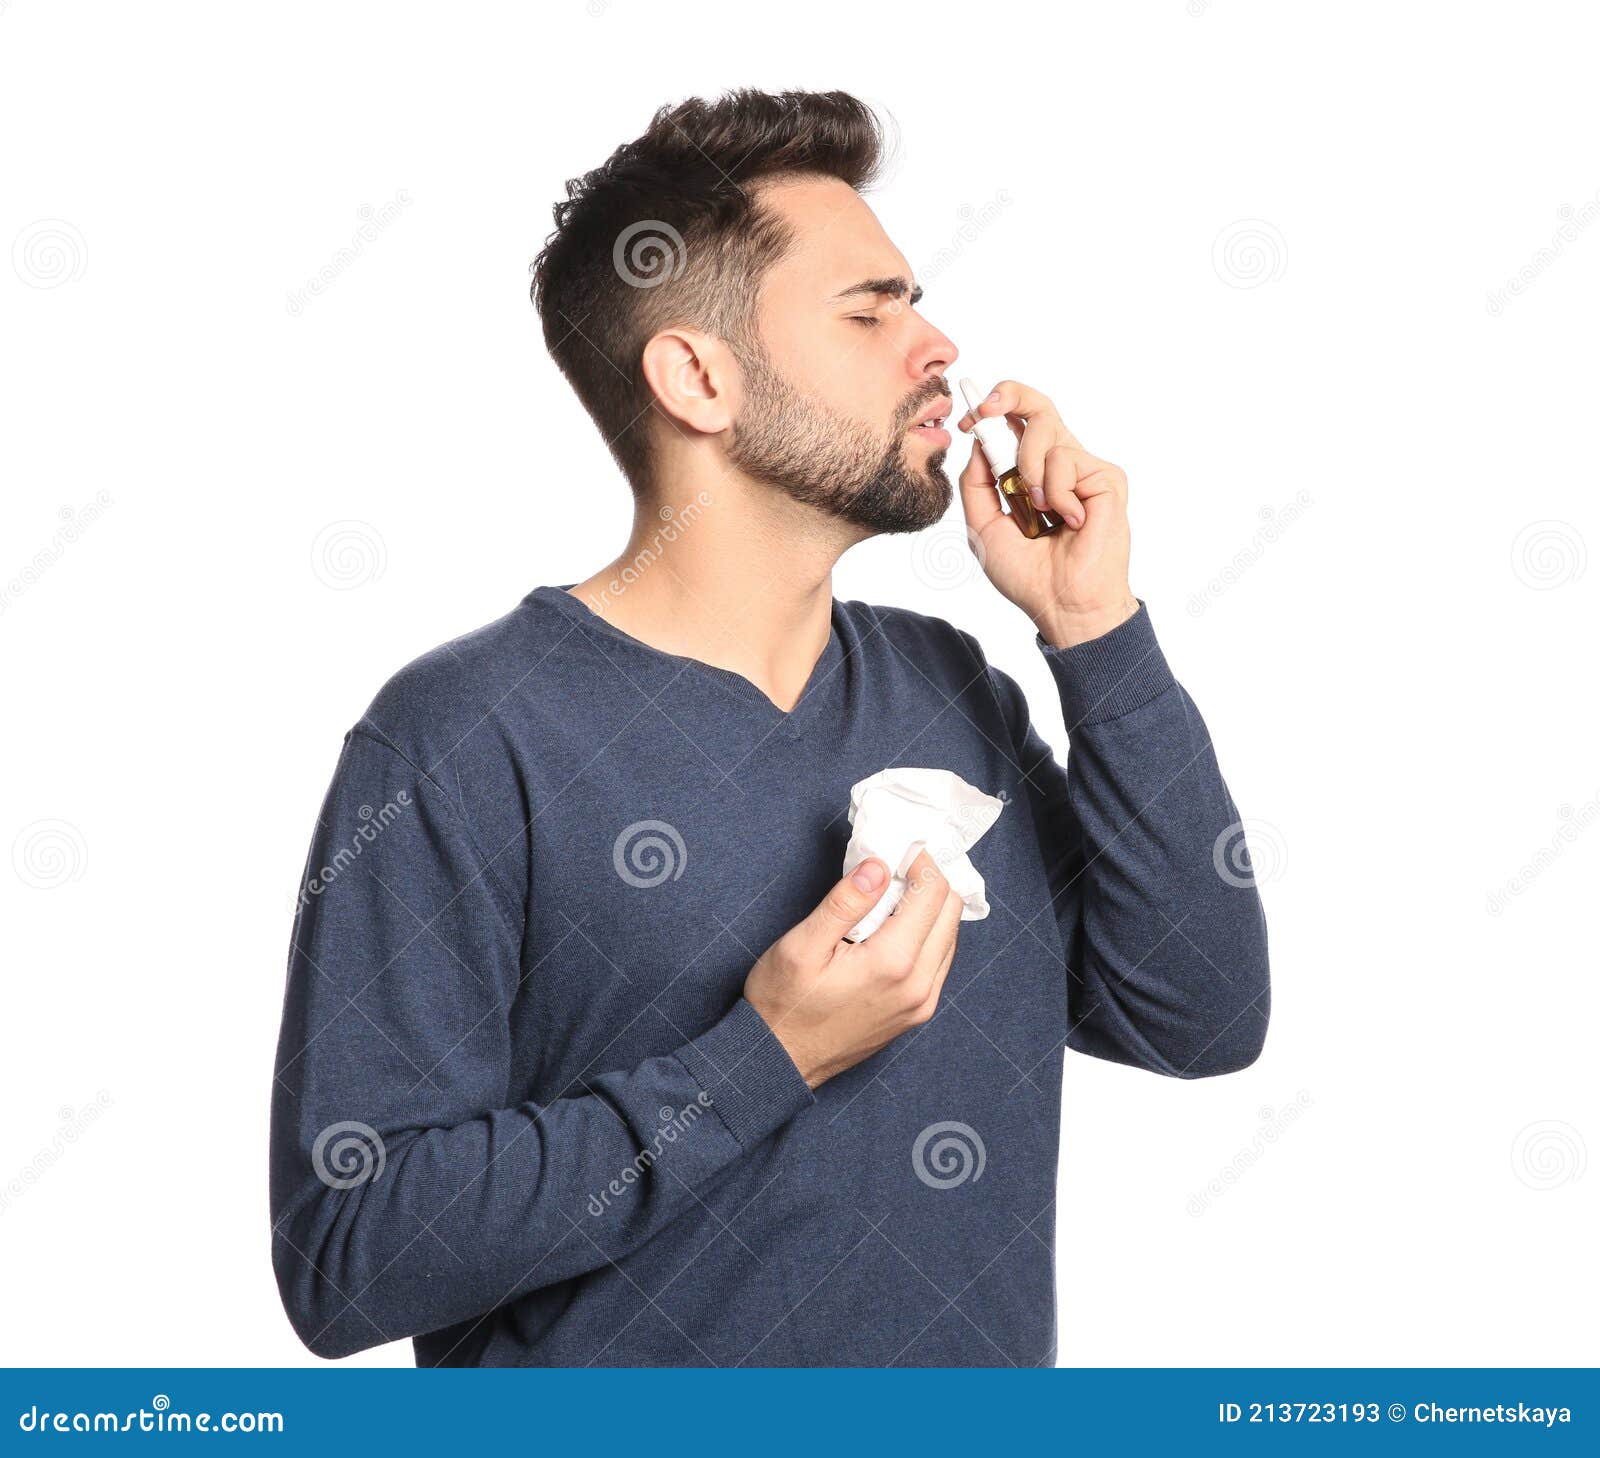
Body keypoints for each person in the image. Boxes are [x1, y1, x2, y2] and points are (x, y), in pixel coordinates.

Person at [269, 88, 1270, 1367]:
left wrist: (1095, 630)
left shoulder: (952, 687)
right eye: (872, 311)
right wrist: (765, 1059)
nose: (937, 346)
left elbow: (1198, 1015)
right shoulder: (466, 737)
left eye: (915, 300)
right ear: (698, 376)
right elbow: (347, 1258)